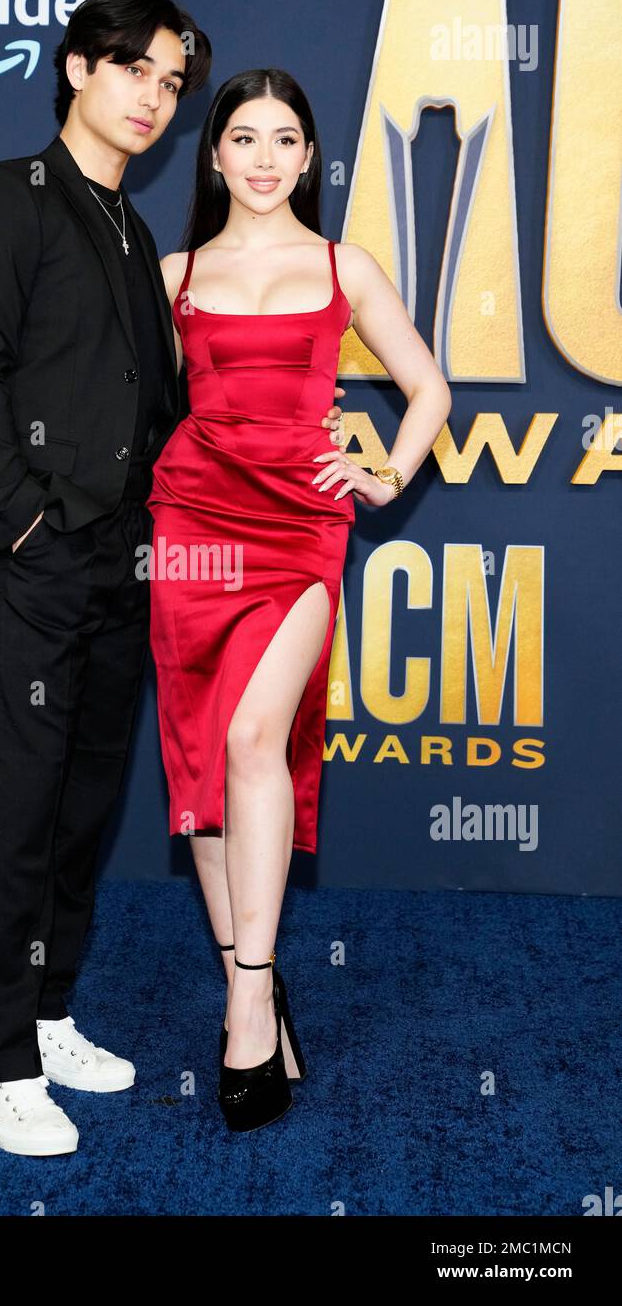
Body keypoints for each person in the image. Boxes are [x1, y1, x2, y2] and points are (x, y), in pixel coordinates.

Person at [0, 0, 344, 1157]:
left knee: (84, 806)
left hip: (128, 567)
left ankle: (51, 1008)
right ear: (76, 69)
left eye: (171, 85)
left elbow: (173, 409)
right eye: (136, 73)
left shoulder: (129, 235)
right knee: (22, 808)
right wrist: (20, 530)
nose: (153, 99)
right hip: (33, 564)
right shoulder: (3, 199)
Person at [148, 68, 452, 1132]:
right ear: (215, 155)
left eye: (285, 138)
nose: (266, 156)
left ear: (308, 158)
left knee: (252, 735)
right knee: (201, 752)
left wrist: (381, 475)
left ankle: (244, 990)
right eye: (244, 136)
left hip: (298, 530)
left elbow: (427, 387)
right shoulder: (172, 269)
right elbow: (122, 394)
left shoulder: (341, 264)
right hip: (191, 523)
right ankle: (259, 982)